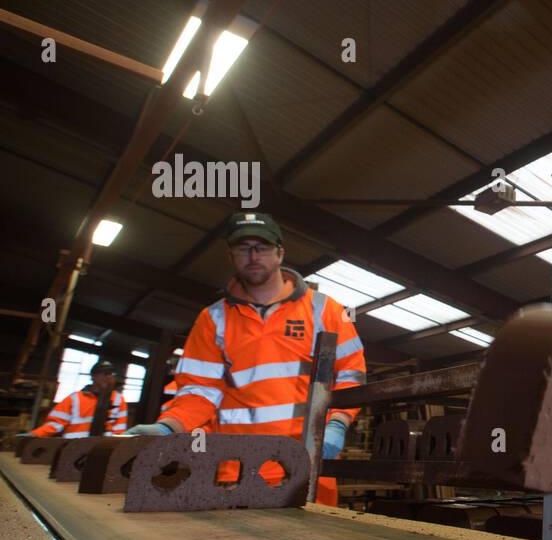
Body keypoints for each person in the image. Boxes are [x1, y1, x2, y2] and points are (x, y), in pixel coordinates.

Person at [125, 213, 365, 507]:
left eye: (261, 247)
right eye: (243, 248)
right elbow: (198, 391)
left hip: (308, 467)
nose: (253, 256)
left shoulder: (326, 310)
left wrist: (338, 423)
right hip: (235, 470)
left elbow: (351, 374)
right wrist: (169, 426)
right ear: (231, 256)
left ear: (280, 253)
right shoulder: (213, 319)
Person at [28, 359, 128, 438]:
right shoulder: (75, 398)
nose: (109, 377)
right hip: (73, 449)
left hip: (103, 450)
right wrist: (34, 434)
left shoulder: (119, 400)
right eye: (105, 374)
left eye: (111, 374)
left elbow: (119, 430)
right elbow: (55, 423)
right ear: (93, 376)